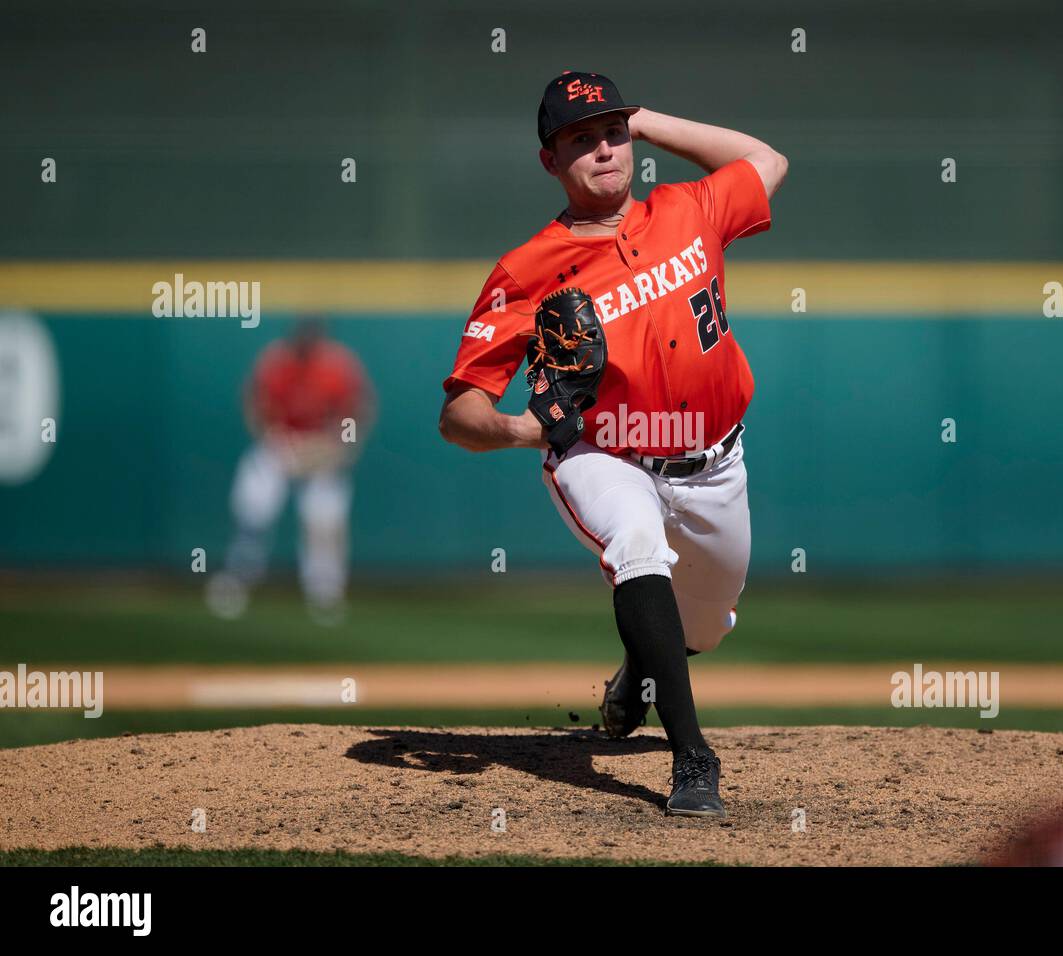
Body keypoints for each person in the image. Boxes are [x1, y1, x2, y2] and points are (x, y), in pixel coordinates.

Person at [439, 71, 788, 817]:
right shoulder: (525, 269)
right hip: (605, 453)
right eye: (580, 139)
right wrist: (515, 429)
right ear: (549, 159)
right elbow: (460, 411)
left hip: (714, 461)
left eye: (613, 133)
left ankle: (640, 670)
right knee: (635, 546)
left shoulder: (689, 208)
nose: (604, 149)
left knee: (706, 628)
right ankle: (693, 759)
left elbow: (768, 161)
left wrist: (650, 116)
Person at [206, 317, 375, 626]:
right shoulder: (276, 362)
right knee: (254, 509)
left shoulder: (338, 366)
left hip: (323, 450)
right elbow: (256, 404)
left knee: (324, 518)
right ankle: (237, 581)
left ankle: (326, 593)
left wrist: (336, 448)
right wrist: (274, 439)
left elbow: (356, 414)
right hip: (282, 445)